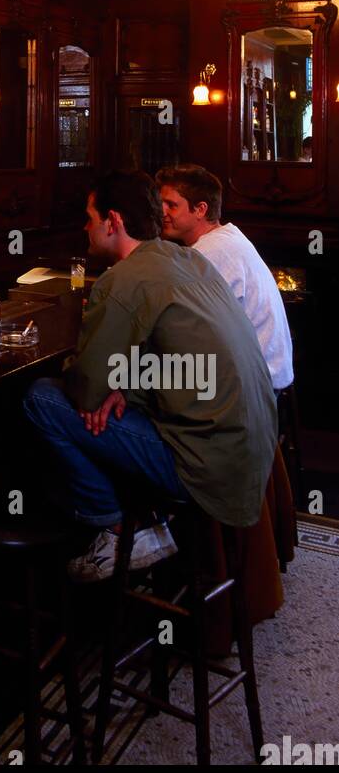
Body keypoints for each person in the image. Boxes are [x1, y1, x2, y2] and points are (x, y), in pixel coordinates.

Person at [23, 171, 277, 582]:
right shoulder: (188, 258)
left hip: (205, 465)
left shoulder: (122, 279)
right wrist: (126, 385)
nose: (85, 227)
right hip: (250, 451)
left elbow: (86, 389)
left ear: (114, 221)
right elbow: (186, 362)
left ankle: (121, 527)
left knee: (43, 399)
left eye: (90, 217)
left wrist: (107, 385)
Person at [157, 163, 293, 393]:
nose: (162, 212)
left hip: (257, 385)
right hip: (267, 371)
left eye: (171, 205)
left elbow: (178, 325)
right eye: (161, 203)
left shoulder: (209, 253)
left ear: (200, 209)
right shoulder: (227, 237)